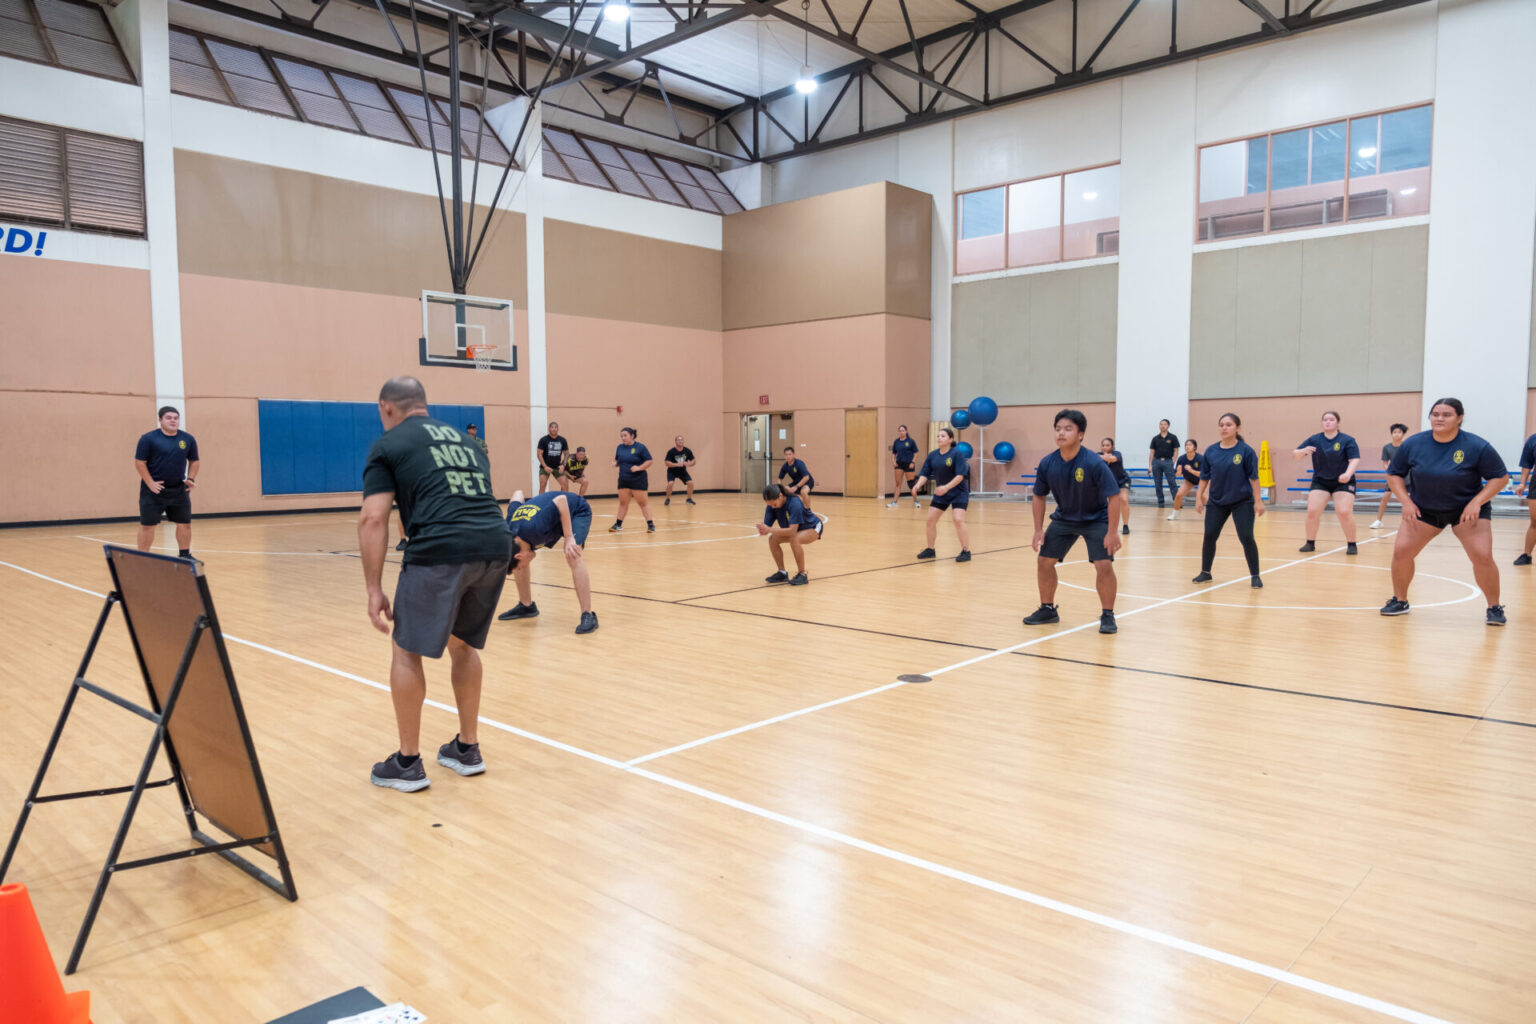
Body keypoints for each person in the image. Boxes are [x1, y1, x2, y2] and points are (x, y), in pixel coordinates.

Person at [357, 376, 510, 793]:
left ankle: (407, 763)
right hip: (496, 545)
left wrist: (374, 588)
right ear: (423, 404)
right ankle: (467, 748)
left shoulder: (388, 445)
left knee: (406, 651)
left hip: (441, 549)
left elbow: (373, 518)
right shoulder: (466, 440)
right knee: (463, 645)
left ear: (386, 406)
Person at [1381, 398, 1508, 625]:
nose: (1439, 418)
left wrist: (1477, 502)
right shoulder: (1413, 444)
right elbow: (1394, 474)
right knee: (1401, 552)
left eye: (1446, 414)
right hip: (1424, 509)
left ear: (1459, 418)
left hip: (1466, 511)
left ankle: (1494, 607)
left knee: (1482, 556)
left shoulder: (1477, 446)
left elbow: (1500, 478)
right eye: (1435, 414)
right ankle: (1400, 601)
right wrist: (1406, 502)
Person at [1024, 409, 1123, 633]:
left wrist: (1112, 531)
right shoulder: (1048, 463)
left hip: (1096, 517)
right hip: (1065, 517)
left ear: (1081, 435)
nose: (1061, 433)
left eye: (1068, 429)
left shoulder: (1094, 463)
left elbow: (1114, 496)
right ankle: (1048, 609)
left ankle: (1108, 615)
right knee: (1044, 561)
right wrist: (1038, 529)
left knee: (1103, 564)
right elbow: (1039, 495)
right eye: (1058, 429)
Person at [496, 490, 598, 634]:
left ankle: (588, 614)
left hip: (575, 510)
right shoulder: (511, 529)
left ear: (519, 555)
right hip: (553, 519)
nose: (521, 567)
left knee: (572, 553)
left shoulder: (535, 527)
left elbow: (561, 500)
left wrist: (569, 537)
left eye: (520, 564)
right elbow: (517, 494)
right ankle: (526, 606)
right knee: (519, 564)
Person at [1192, 413, 1265, 588]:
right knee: (1209, 535)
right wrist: (1199, 498)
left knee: (1246, 536)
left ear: (1237, 428)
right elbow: (1204, 477)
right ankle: (1205, 572)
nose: (1224, 428)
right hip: (1217, 501)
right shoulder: (1211, 451)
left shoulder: (1245, 451)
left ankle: (1255, 575)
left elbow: (1254, 478)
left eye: (1228, 425)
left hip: (1242, 501)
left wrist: (1258, 500)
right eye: (1221, 425)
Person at [135, 406, 200, 558]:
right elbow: (139, 462)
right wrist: (150, 483)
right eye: (168, 418)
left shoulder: (187, 439)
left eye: (175, 418)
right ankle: (142, 558)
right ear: (160, 420)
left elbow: (194, 461)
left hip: (178, 489)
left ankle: (184, 555)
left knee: (185, 523)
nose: (173, 420)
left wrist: (190, 479)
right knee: (148, 525)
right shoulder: (148, 439)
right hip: (153, 490)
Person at [1292, 411, 1361, 555]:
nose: (1328, 422)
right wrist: (1303, 450)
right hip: (1321, 481)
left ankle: (1352, 544)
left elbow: (1354, 459)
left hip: (1342, 481)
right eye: (1325, 420)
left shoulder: (1347, 440)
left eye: (1331, 419)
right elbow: (1296, 455)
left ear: (1337, 422)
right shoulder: (1315, 439)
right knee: (1312, 512)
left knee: (1344, 512)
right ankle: (1310, 543)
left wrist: (1348, 474)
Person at [911, 427, 971, 561]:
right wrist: (918, 485)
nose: (939, 438)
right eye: (938, 436)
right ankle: (930, 549)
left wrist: (946, 487)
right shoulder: (933, 455)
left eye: (943, 436)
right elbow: (925, 473)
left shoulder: (957, 454)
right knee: (930, 520)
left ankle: (966, 551)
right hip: (942, 492)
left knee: (958, 520)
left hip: (958, 492)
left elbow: (960, 476)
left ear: (951, 439)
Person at [758, 482, 824, 585]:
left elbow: (792, 531)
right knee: (772, 539)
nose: (773, 507)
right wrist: (763, 529)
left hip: (813, 527)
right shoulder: (771, 506)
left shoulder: (794, 503)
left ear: (780, 496)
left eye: (774, 504)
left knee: (795, 539)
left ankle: (802, 574)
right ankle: (782, 573)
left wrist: (769, 529)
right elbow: (767, 526)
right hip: (795, 530)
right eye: (770, 505)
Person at [610, 427, 654, 532]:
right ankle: (618, 524)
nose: (623, 438)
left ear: (632, 436)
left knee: (642, 503)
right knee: (623, 503)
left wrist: (639, 468)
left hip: (638, 479)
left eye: (625, 435)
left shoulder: (640, 447)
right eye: (621, 436)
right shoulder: (620, 447)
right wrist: (615, 463)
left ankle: (650, 525)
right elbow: (618, 459)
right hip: (623, 479)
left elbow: (649, 461)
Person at [1369, 423, 1408, 529]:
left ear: (1403, 434)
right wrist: (1389, 470)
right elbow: (1385, 461)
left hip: (1407, 476)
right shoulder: (1387, 447)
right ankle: (1378, 520)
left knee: (1408, 499)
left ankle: (1409, 522)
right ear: (1391, 434)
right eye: (1394, 432)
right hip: (1393, 476)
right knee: (1385, 497)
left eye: (1399, 432)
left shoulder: (1406, 446)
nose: (1396, 434)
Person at [1098, 437, 1132, 535]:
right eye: (1103, 445)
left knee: (1124, 499)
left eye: (1107, 445)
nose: (1105, 447)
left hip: (1122, 481)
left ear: (1112, 447)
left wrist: (1102, 457)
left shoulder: (1117, 454)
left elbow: (1112, 459)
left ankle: (1125, 525)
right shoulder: (1097, 455)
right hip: (1107, 483)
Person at [1147, 419, 1181, 508]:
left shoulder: (1173, 437)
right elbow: (1151, 453)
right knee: (1158, 484)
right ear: (1159, 426)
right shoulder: (1155, 438)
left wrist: (1173, 461)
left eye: (1164, 424)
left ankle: (1177, 502)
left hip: (1168, 462)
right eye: (1161, 424)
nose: (1162, 426)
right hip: (1156, 462)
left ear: (1168, 426)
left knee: (1172, 483)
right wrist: (1150, 465)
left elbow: (1176, 450)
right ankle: (1161, 502)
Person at [888, 424, 922, 509]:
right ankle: (894, 502)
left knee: (911, 484)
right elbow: (893, 453)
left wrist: (913, 462)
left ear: (906, 431)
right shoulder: (896, 441)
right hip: (899, 464)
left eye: (903, 430)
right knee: (898, 484)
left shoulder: (911, 441)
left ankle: (916, 501)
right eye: (900, 430)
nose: (901, 432)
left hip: (909, 464)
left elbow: (916, 453)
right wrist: (893, 461)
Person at [1166, 439, 1201, 521]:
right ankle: (1174, 514)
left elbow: (1203, 474)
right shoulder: (1181, 459)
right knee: (1178, 495)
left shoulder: (1200, 458)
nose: (1187, 446)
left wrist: (1191, 470)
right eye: (1186, 445)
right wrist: (1178, 472)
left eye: (1190, 445)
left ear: (1195, 447)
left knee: (1204, 497)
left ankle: (1214, 514)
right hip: (1189, 480)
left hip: (1202, 480)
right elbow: (1178, 475)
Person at [1517, 431, 1536, 567]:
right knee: (1535, 521)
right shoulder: (1533, 440)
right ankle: (1526, 555)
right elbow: (1527, 464)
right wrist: (1522, 483)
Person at [663, 435, 697, 506]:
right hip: (672, 471)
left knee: (691, 483)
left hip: (682, 471)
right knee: (670, 484)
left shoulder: (687, 450)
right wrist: (677, 464)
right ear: (676, 442)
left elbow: (693, 461)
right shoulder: (671, 451)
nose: (680, 441)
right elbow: (667, 463)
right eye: (678, 440)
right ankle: (667, 498)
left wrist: (689, 464)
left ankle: (689, 499)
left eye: (682, 440)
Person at [536, 422, 567, 494]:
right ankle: (540, 503)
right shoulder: (543, 440)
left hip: (557, 467)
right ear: (549, 428)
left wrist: (563, 465)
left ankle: (563, 501)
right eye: (552, 427)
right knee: (542, 484)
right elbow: (539, 454)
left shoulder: (562, 440)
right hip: (545, 467)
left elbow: (567, 454)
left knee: (565, 484)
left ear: (558, 429)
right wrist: (545, 466)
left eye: (555, 427)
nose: (554, 429)